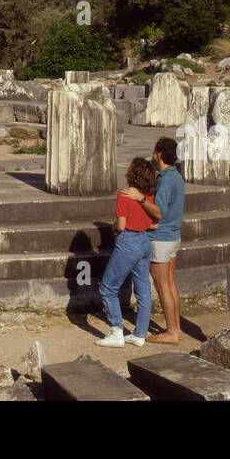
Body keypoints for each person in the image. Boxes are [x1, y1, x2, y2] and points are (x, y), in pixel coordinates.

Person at [121, 137, 184, 344]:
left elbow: (159, 212)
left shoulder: (165, 180)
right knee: (171, 283)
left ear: (159, 154)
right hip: (173, 235)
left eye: (154, 151)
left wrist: (139, 198)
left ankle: (172, 331)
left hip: (161, 237)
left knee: (161, 285)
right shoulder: (176, 176)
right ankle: (176, 328)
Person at [94, 156, 158, 347]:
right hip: (145, 241)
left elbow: (121, 225)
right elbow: (153, 221)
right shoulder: (149, 196)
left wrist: (113, 227)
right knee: (143, 290)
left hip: (128, 241)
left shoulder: (124, 195)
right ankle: (140, 334)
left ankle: (116, 332)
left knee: (107, 288)